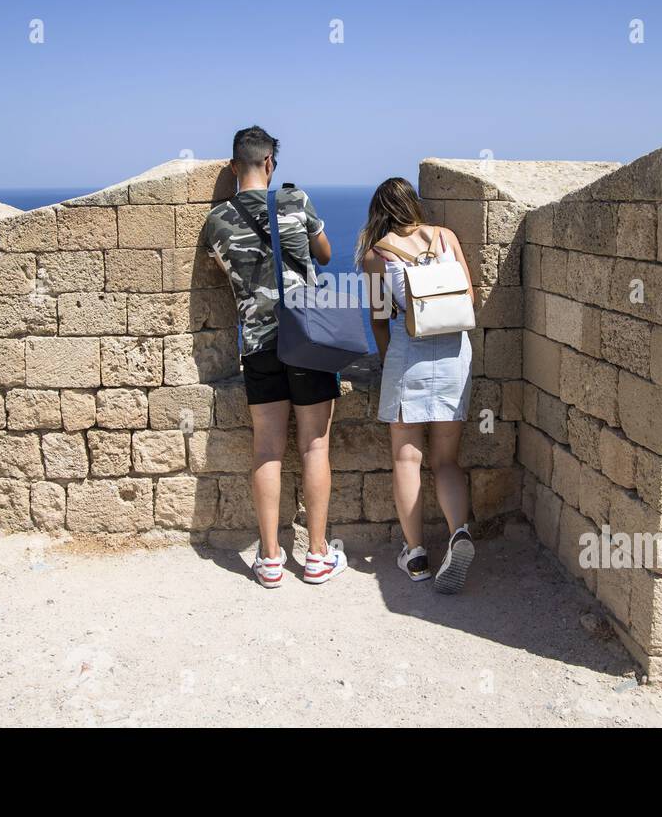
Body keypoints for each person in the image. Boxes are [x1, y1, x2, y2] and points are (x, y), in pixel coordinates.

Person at [201, 126, 347, 588]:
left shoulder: (216, 220)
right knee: (315, 445)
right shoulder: (295, 200)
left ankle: (267, 559)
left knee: (266, 449)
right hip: (307, 338)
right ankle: (318, 556)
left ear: (232, 167)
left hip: (259, 344)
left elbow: (225, 272)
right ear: (270, 164)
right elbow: (324, 254)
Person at [359, 178, 476, 593]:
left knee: (407, 460)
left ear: (380, 211)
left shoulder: (377, 255)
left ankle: (417, 555)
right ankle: (459, 532)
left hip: (408, 356)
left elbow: (378, 318)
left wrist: (392, 357)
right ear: (414, 204)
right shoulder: (446, 237)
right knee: (446, 460)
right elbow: (469, 298)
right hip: (453, 358)